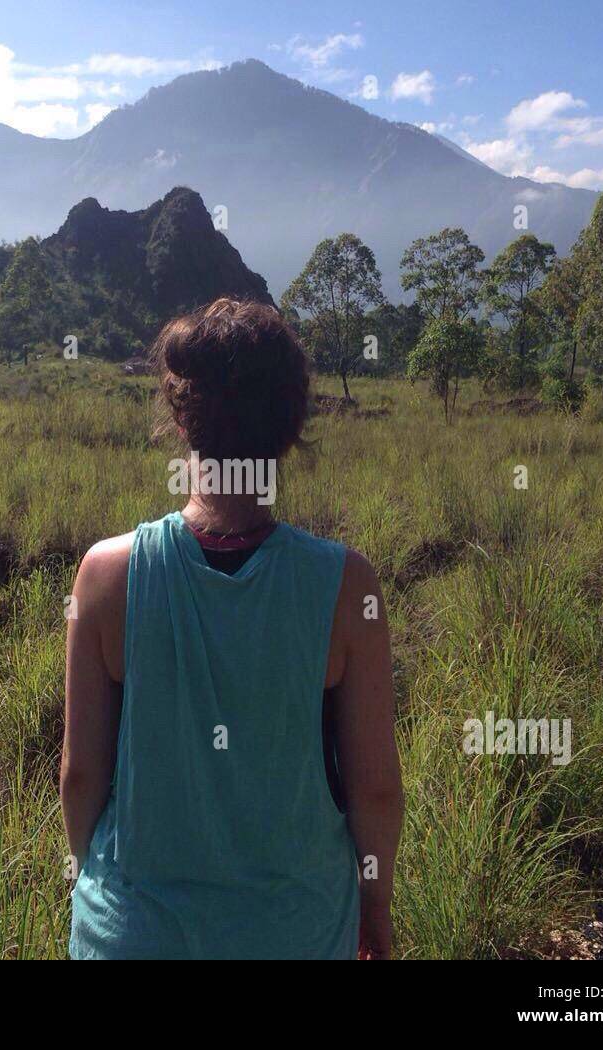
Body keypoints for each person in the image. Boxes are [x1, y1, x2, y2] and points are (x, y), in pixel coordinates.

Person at [61, 297, 403, 960]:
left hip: (133, 937)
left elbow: (80, 777)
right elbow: (376, 786)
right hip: (295, 935)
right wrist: (375, 905)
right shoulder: (346, 587)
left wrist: (96, 884)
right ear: (290, 427)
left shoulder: (105, 576)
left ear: (182, 421)